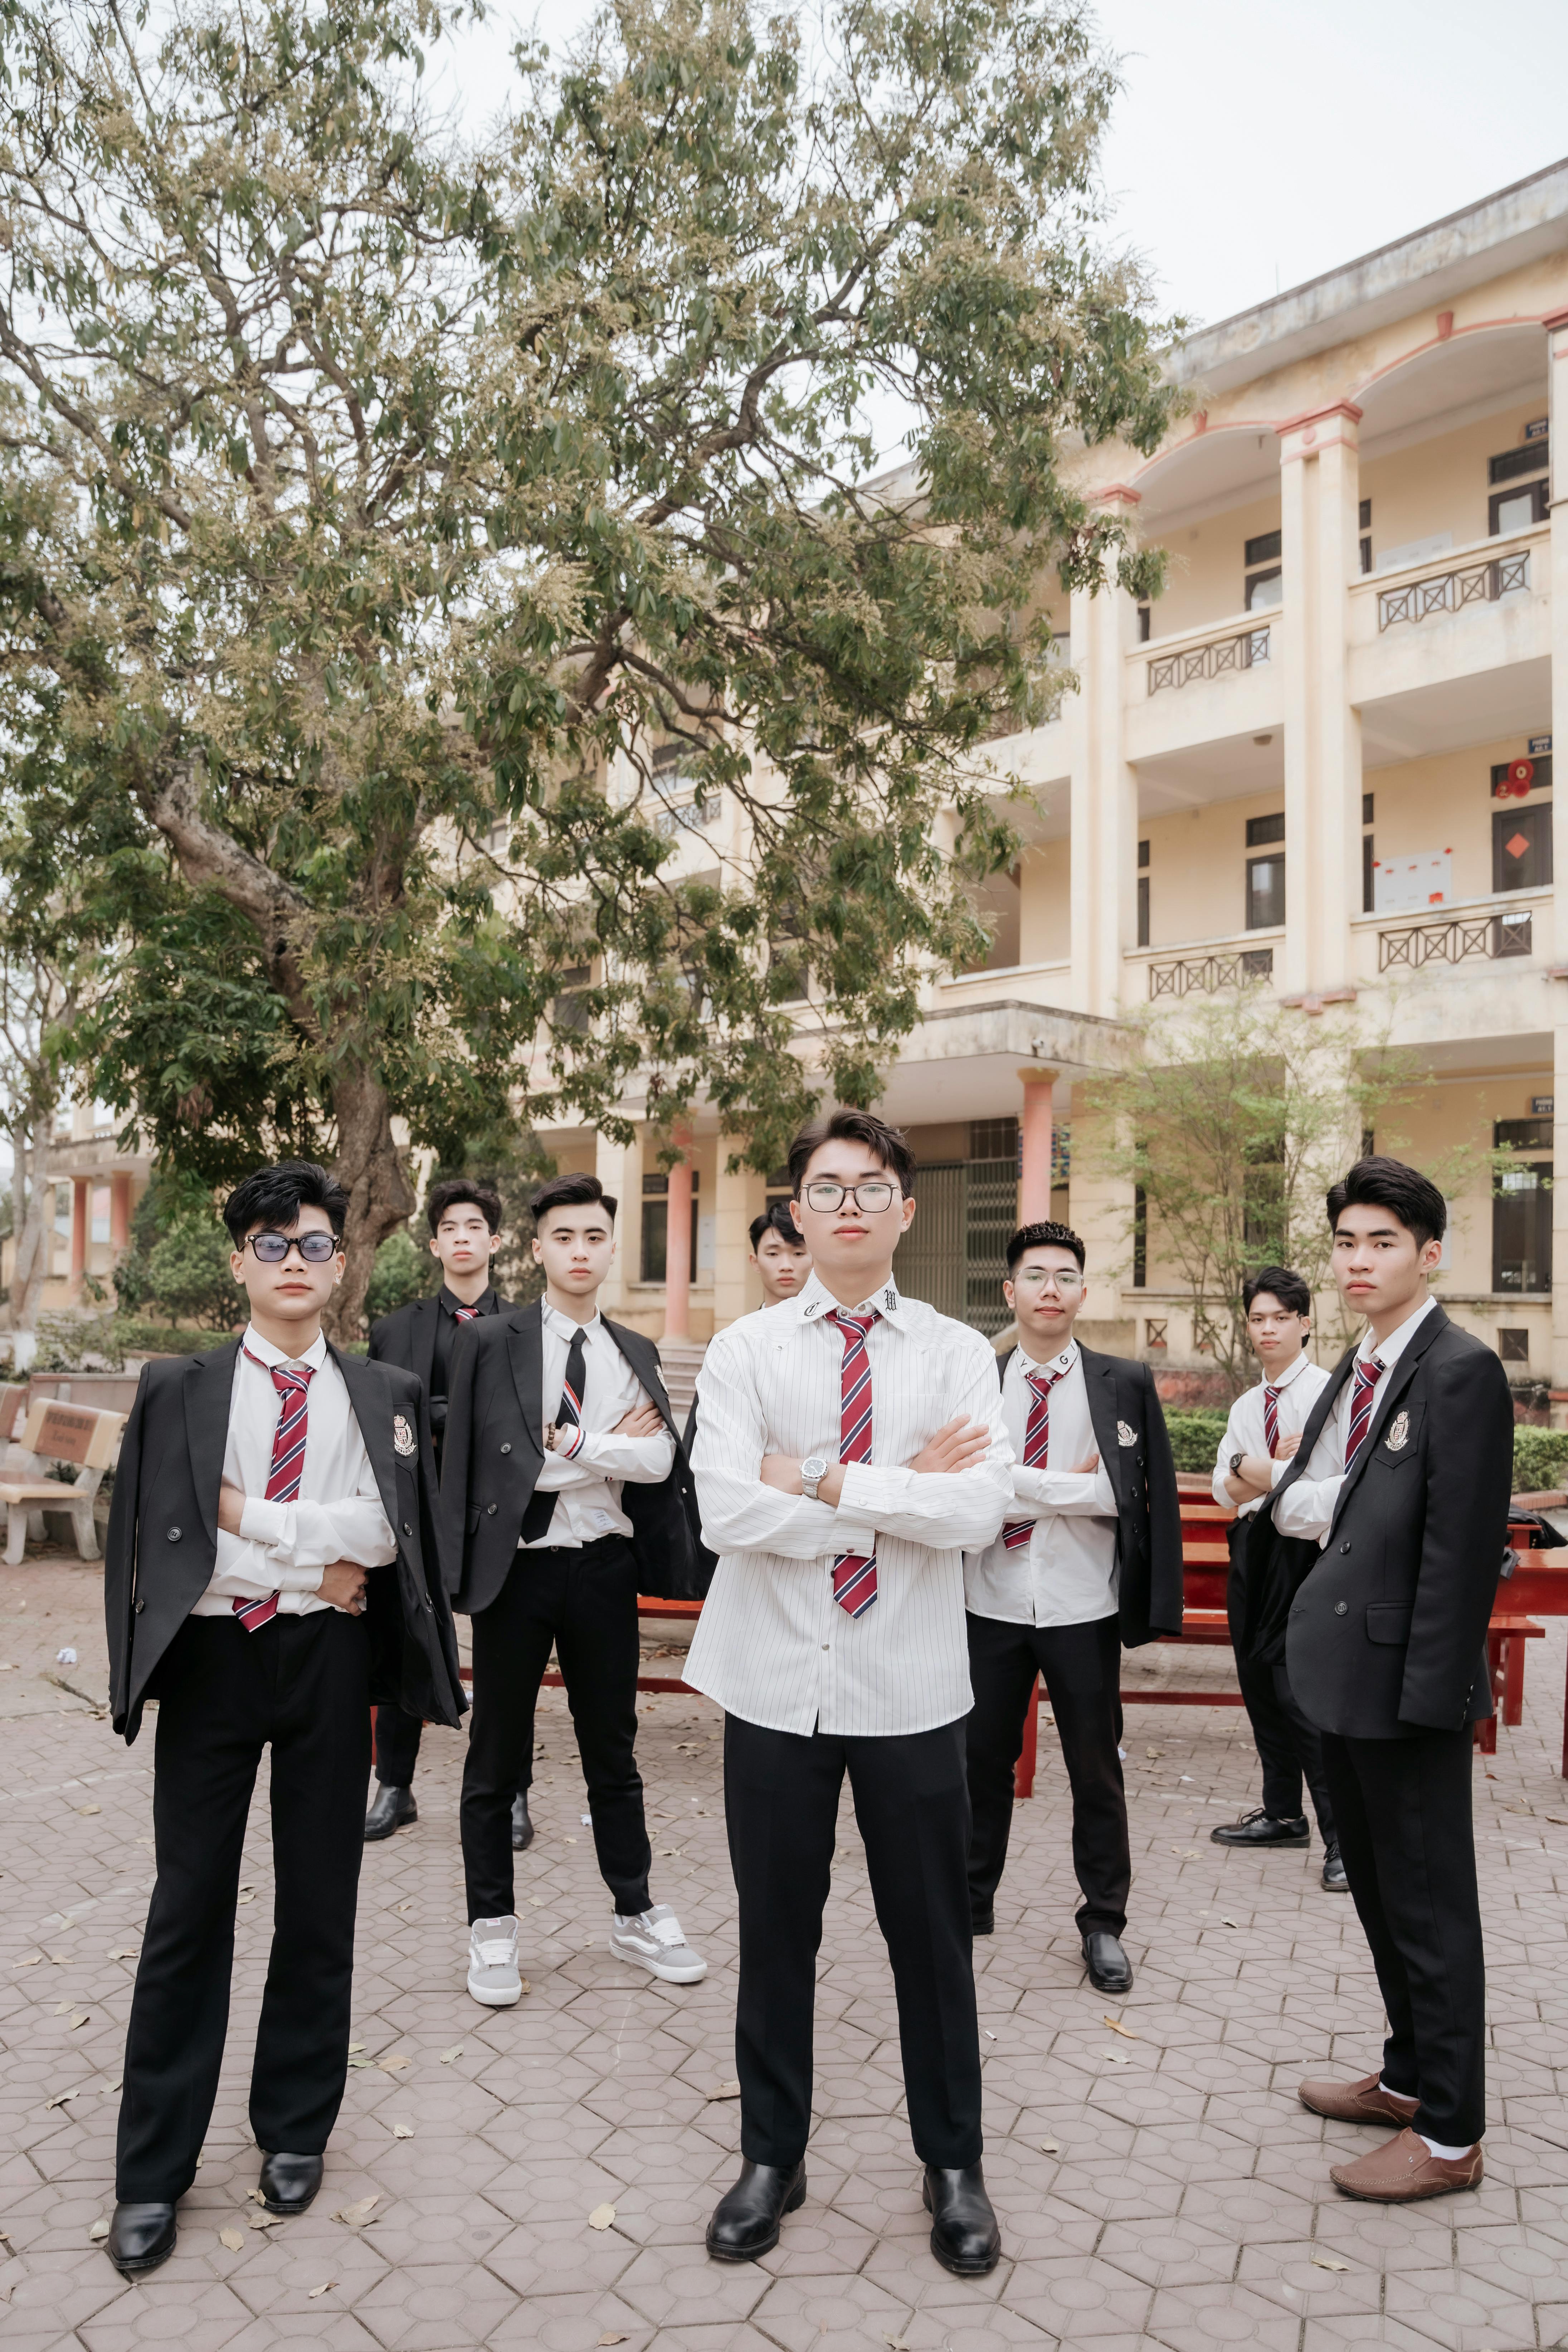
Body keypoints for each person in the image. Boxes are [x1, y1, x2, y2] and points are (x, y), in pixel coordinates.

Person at [101, 1162, 463, 2277]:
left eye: (313, 1244)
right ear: (238, 1264)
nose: (294, 1262)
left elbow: (387, 1530)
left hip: (326, 1662)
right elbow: (164, 1520)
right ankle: (152, 2171)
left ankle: (294, 2127)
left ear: (341, 1263)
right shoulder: (179, 1388)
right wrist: (317, 1550)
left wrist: (247, 1518)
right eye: (272, 1244)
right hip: (215, 1663)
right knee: (187, 1909)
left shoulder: (385, 1393)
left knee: (319, 1900)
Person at [688, 1108, 1013, 2276]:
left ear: (905, 1209)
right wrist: (893, 1488)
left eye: (871, 1187)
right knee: (776, 1932)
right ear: (797, 1210)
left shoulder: (957, 1353)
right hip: (772, 1687)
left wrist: (819, 1475)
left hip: (911, 1687)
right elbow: (726, 1511)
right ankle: (772, 2154)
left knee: (930, 1939)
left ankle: (954, 2161)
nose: (848, 1207)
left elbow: (975, 1513)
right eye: (826, 1189)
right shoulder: (745, 1352)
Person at [1269, 1158, 1513, 2202]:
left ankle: (1450, 2137)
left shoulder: (1455, 1370)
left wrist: (1429, 1704)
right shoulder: (1364, 1362)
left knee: (1426, 1909)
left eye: (1380, 1242)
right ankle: (1407, 2076)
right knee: (1375, 1895)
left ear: (1428, 1253)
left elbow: (1457, 1560)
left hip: (1404, 1696)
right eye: (1343, 1242)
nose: (1356, 1261)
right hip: (1339, 1684)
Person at [440, 1172, 707, 2009]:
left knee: (613, 1752)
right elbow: (502, 1462)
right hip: (516, 1571)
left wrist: (571, 1439)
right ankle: (492, 1928)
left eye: (594, 1237)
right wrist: (597, 1448)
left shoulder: (636, 1351)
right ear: (537, 1248)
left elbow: (661, 1461)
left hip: (603, 1566)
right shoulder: (492, 1342)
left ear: (610, 1247)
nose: (580, 1251)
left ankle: (634, 1910)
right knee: (495, 1754)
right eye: (564, 1237)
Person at [963, 1221, 1182, 1998]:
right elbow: (966, 1491)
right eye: (1035, 1275)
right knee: (978, 1761)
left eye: (1064, 1276)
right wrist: (1066, 1486)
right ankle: (970, 1898)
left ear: (1081, 1291)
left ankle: (1103, 1923)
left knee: (1095, 1767)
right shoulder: (974, 1376)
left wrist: (1022, 1482)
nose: (1049, 1288)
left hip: (1082, 1604)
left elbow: (1129, 1497)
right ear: (1010, 1291)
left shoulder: (1122, 1380)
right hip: (986, 1599)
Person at [362, 1177, 523, 1845]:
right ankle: (394, 1786)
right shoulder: (393, 1329)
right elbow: (380, 1417)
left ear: (495, 1240)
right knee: (407, 1643)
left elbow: (522, 1422)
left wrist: (434, 1415)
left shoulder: (525, 1329)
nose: (462, 1237)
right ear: (435, 1244)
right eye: (450, 1228)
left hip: (496, 1515)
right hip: (416, 1512)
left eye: (473, 1226)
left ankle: (510, 1792)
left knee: (506, 1659)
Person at [1208, 1267, 1341, 1887]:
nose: (1267, 1328)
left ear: (1304, 1322)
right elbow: (1223, 1490)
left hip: (1303, 1552)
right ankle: (1284, 1812)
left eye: (1280, 1317)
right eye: (1258, 1318)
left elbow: (1320, 1485)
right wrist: (1262, 1464)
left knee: (1302, 1695)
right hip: (1250, 1550)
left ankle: (1343, 1839)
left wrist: (1254, 1471)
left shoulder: (1327, 1395)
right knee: (1259, 1686)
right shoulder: (1244, 1405)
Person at [749, 1199, 812, 1305]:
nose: (786, 1266)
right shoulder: (745, 1322)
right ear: (755, 1262)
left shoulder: (838, 1321)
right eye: (773, 1254)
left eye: (798, 1253)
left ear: (814, 1261)